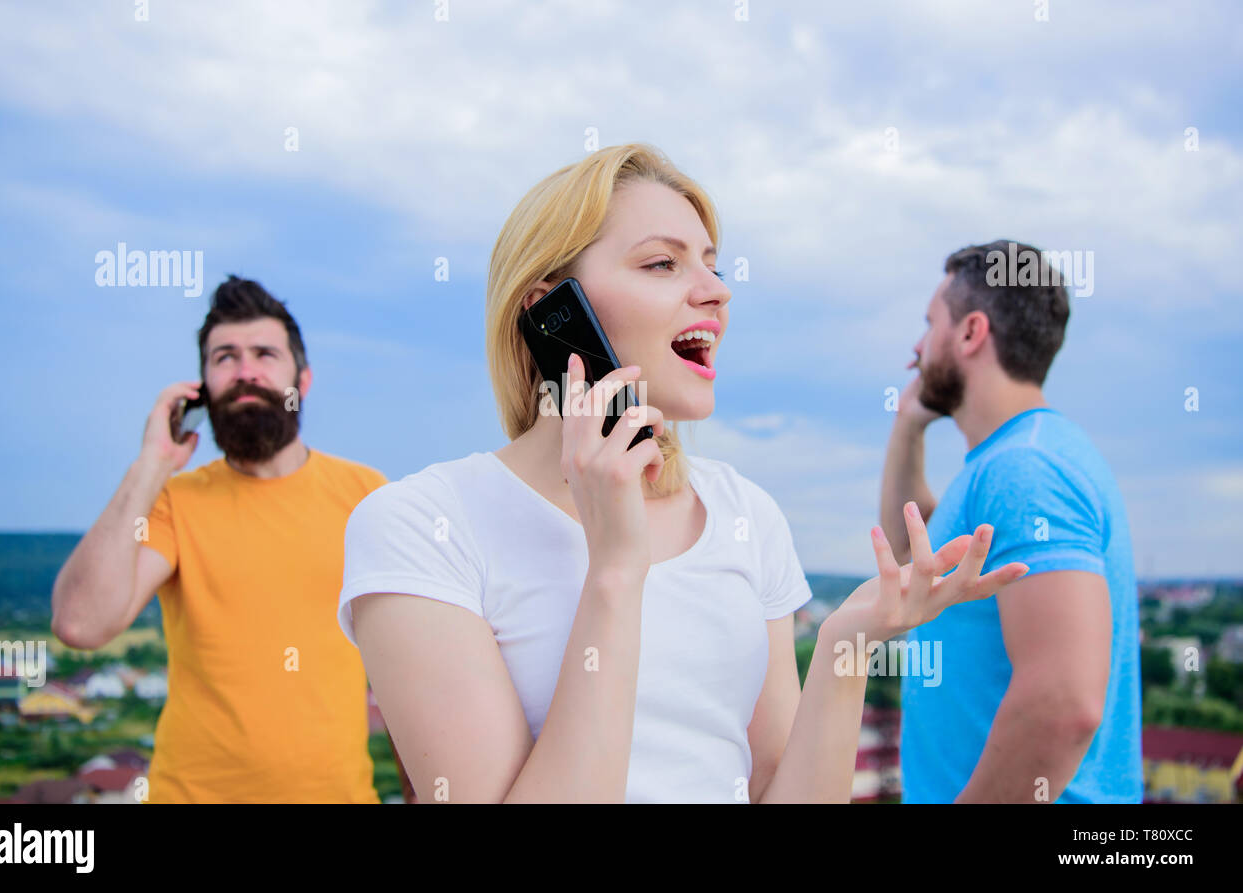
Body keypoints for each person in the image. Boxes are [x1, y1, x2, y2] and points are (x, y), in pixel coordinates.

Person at [338, 144, 1027, 803]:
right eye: (662, 264)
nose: (717, 294)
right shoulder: (421, 527)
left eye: (712, 266)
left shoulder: (745, 514)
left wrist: (848, 647)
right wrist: (615, 567)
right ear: (550, 312)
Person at [52, 276, 412, 803]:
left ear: (303, 380)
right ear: (201, 387)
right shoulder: (173, 501)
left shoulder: (367, 495)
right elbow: (81, 622)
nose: (245, 371)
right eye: (225, 358)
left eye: (264, 354)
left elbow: (404, 670)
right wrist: (151, 465)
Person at [881, 240, 1142, 803]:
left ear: (972, 332)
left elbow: (1064, 704)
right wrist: (908, 424)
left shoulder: (1025, 469)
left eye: (931, 325)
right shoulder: (1013, 459)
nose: (918, 347)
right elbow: (912, 556)